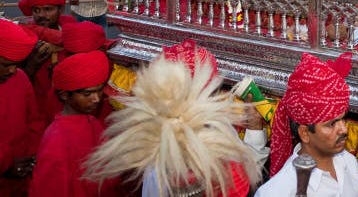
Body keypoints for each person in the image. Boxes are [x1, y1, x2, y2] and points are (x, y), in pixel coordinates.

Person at [84, 41, 261, 196]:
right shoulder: (188, 143)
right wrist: (254, 132)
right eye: (212, 89)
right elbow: (245, 177)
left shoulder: (157, 136)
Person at [255, 53, 358, 197]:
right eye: (332, 124)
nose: (344, 129)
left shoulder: (346, 160)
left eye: (343, 119)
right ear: (305, 133)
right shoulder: (279, 191)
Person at [29, 51, 110, 197]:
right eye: (87, 94)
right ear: (64, 95)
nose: (97, 99)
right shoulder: (57, 139)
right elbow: (49, 190)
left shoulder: (92, 122)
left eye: (99, 91)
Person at [0, 19, 45, 195]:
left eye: (16, 65)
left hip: (21, 178)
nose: (12, 70)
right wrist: (6, 165)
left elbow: (34, 121)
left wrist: (31, 160)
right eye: (6, 65)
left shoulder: (20, 78)